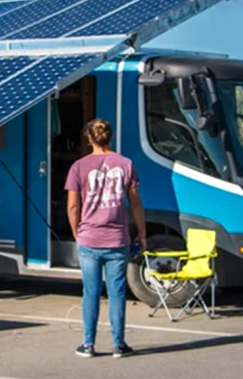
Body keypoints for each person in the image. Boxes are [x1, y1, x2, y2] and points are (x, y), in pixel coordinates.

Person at [65, 118, 146, 358]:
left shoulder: (78, 167)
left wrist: (76, 232)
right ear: (110, 137)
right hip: (117, 238)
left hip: (89, 237)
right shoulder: (125, 164)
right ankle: (119, 344)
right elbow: (135, 203)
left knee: (90, 292)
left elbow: (73, 206)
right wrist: (142, 233)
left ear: (89, 138)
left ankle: (88, 344)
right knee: (117, 292)